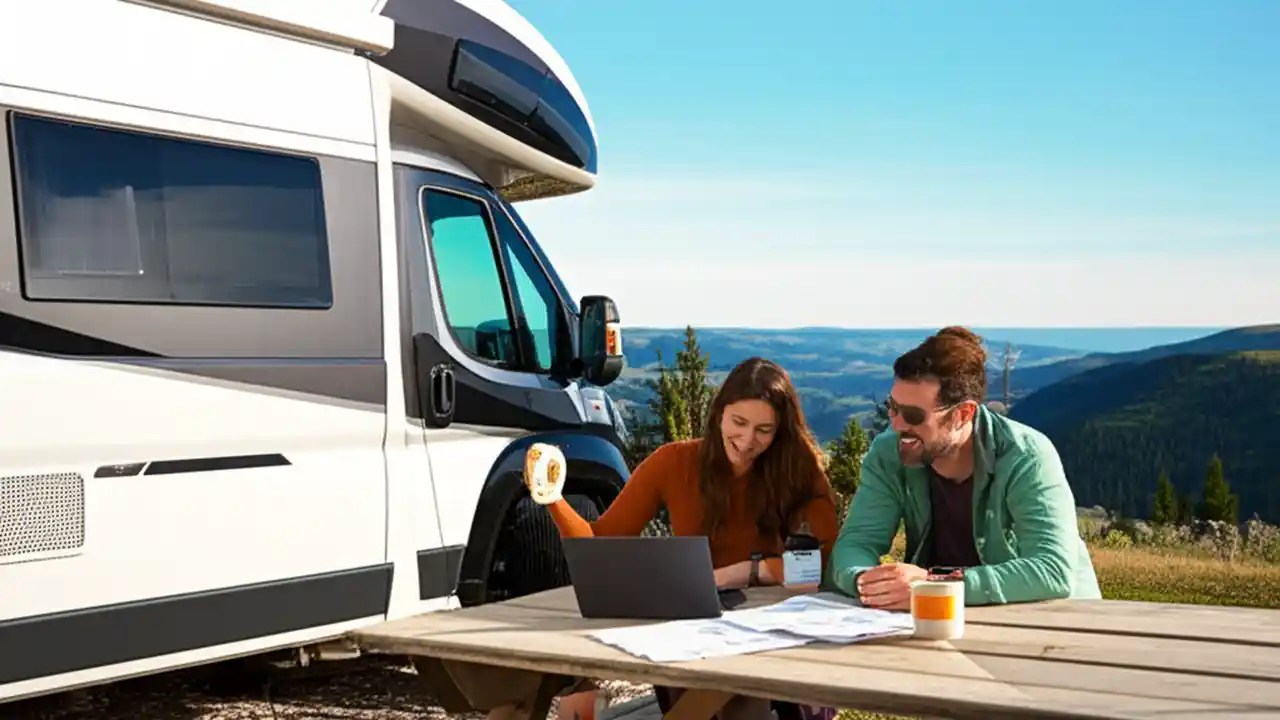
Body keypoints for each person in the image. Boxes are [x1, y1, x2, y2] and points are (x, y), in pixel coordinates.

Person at [530, 356, 841, 720]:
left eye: (764, 430)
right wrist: (552, 499)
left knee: (744, 697)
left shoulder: (800, 470)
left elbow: (823, 562)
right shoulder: (674, 462)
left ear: (781, 431)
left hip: (778, 636)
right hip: (696, 637)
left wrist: (741, 572)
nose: (746, 440)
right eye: (738, 423)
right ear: (719, 413)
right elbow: (598, 544)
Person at [830, 326, 1101, 610]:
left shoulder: (1026, 455)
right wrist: (866, 581)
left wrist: (932, 584)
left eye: (912, 415)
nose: (896, 424)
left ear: (962, 414)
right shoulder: (889, 452)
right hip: (944, 614)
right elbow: (856, 544)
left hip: (1053, 618)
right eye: (893, 407)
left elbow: (1051, 571)